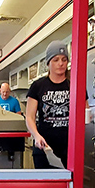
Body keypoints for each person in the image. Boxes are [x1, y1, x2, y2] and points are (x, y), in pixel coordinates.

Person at [26, 40, 71, 168]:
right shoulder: (38, 86)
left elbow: (85, 113)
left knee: (68, 186)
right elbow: (29, 116)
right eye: (56, 60)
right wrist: (36, 135)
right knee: (45, 186)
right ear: (48, 63)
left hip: (69, 148)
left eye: (64, 59)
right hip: (44, 147)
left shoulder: (74, 86)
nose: (60, 63)